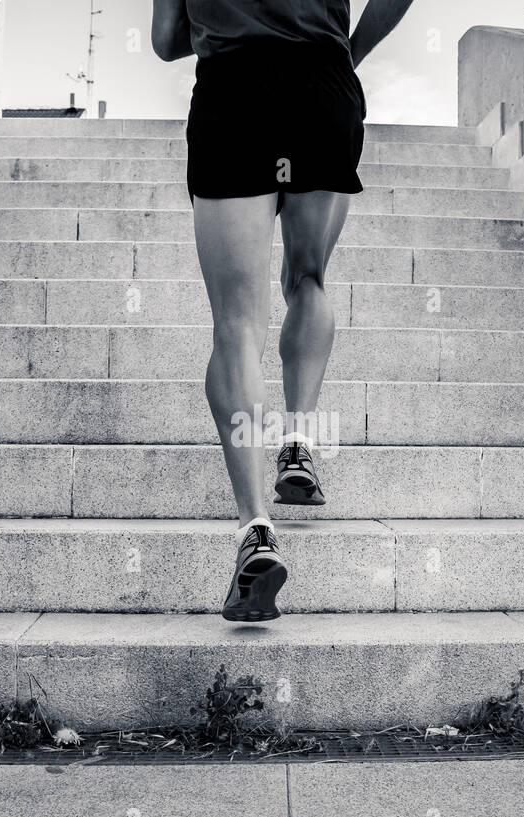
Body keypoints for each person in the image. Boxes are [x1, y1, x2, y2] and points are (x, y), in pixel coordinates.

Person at [152, 0, 414, 622]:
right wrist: (341, 45)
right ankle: (297, 439)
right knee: (309, 276)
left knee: (236, 323)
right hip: (322, 84)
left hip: (235, 89)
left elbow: (165, 39)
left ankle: (256, 531)